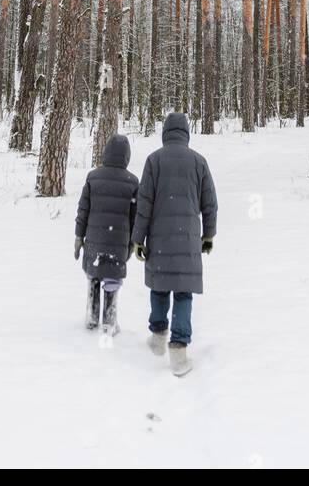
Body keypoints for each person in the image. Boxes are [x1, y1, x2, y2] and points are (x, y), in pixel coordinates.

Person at [131, 111, 217, 376]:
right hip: (189, 239)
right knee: (182, 292)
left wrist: (138, 239)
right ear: (186, 133)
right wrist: (208, 235)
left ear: (165, 132)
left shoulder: (154, 161)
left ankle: (157, 335)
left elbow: (143, 205)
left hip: (159, 238)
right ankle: (179, 349)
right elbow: (210, 203)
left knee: (159, 287)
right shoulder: (199, 162)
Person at [74, 132, 138, 336]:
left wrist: (78, 236)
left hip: (94, 240)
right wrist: (133, 243)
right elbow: (135, 217)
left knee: (94, 275)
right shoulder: (133, 182)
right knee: (111, 279)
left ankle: (92, 318)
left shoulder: (93, 177)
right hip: (118, 242)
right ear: (127, 156)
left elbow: (82, 210)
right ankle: (109, 323)